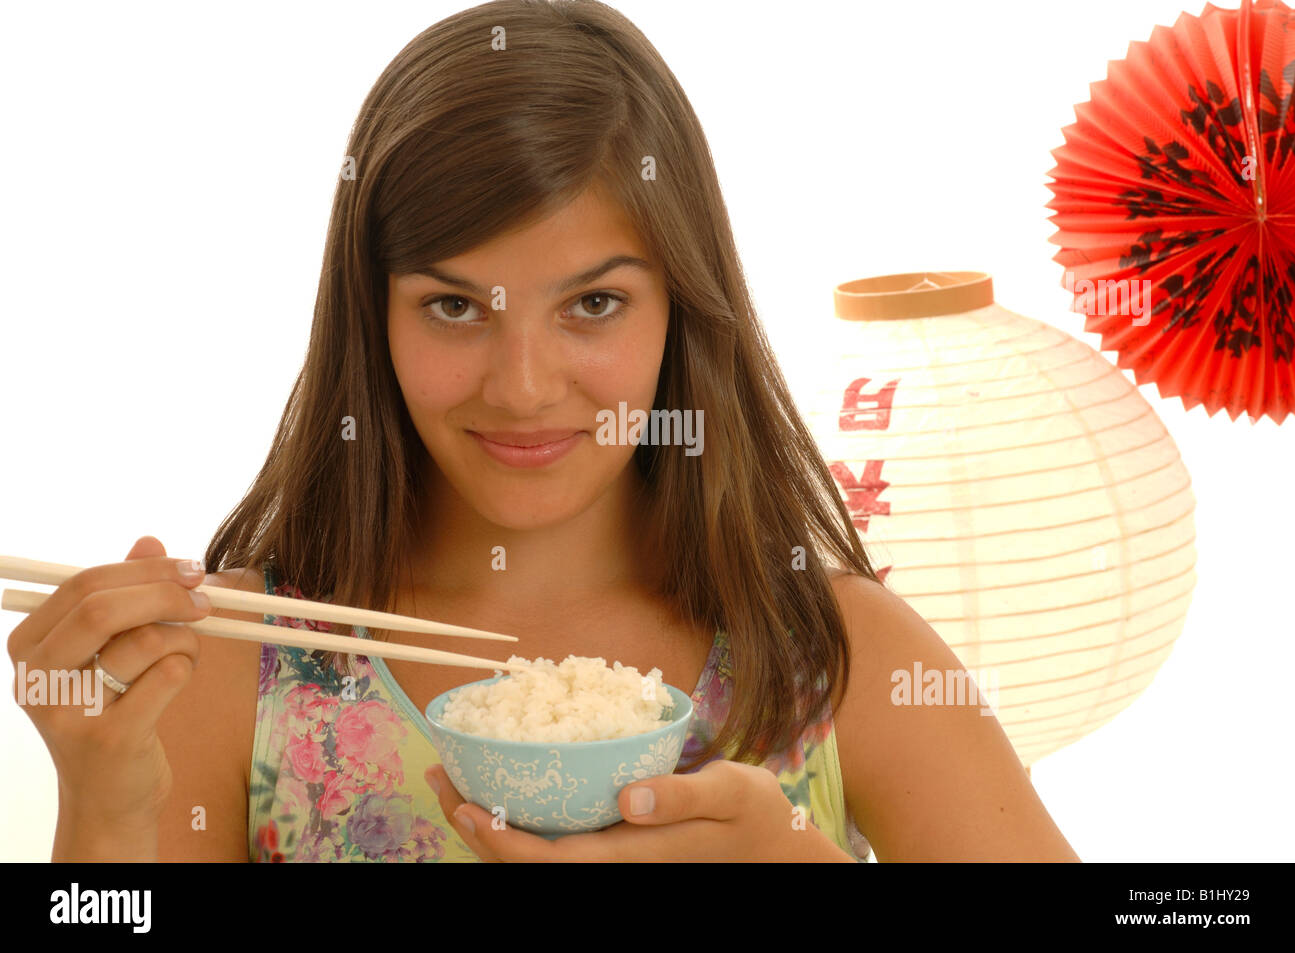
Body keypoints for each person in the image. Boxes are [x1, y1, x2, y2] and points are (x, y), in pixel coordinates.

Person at [13, 0, 1079, 862]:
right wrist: (101, 809)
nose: (522, 386)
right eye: (452, 305)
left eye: (594, 304)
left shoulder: (833, 653)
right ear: (370, 314)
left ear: (680, 310)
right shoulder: (232, 664)